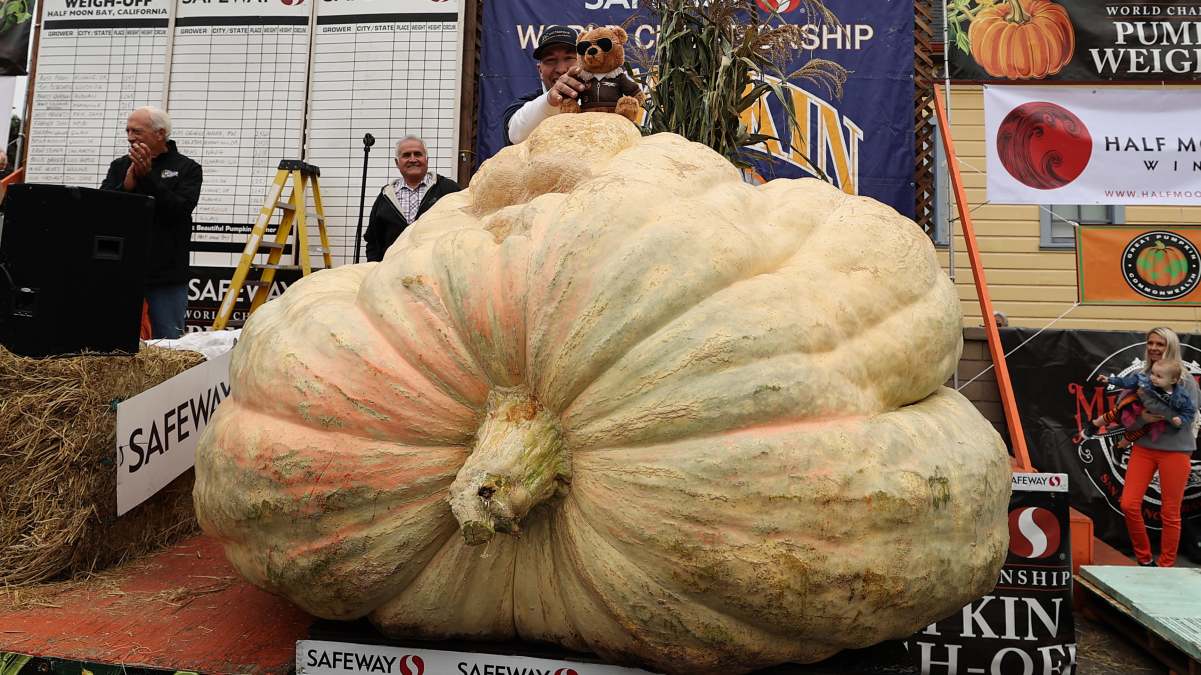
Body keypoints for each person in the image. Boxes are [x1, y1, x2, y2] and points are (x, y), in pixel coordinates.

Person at [100, 107, 202, 339]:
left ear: (160, 133)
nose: (130, 137)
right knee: (112, 341)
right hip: (121, 272)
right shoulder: (119, 166)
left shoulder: (188, 168)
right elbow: (102, 211)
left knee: (168, 345)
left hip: (166, 275)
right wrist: (126, 188)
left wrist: (148, 178)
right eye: (127, 131)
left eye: (137, 131)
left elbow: (180, 210)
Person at [1107, 328, 1199, 567]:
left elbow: (1185, 420)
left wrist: (1150, 404)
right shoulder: (1139, 376)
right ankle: (1144, 559)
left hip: (1176, 451)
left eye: (1161, 343)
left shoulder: (1186, 381)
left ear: (1171, 346)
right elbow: (1124, 416)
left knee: (1171, 513)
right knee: (1128, 504)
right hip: (1144, 448)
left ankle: (1166, 566)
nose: (1155, 347)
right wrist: (1142, 420)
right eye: (1151, 342)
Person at [363, 135, 461, 263]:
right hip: (393, 272)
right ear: (397, 162)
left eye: (418, 154)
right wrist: (376, 266)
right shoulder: (386, 196)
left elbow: (464, 227)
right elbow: (373, 241)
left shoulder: (449, 189)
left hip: (437, 270)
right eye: (406, 155)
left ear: (426, 160)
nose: (413, 159)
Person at [503, 25, 588, 146]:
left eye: (569, 58)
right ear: (540, 71)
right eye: (551, 59)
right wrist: (550, 101)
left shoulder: (603, 100)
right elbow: (514, 135)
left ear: (584, 64)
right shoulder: (521, 106)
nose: (561, 69)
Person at [1085, 358, 1196, 448]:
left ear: (1173, 381)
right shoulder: (1146, 381)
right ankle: (1095, 424)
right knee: (1115, 414)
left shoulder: (1182, 396)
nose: (1153, 378)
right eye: (1152, 373)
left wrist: (1181, 419)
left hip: (1152, 417)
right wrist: (1110, 380)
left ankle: (1120, 447)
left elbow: (1189, 411)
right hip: (1135, 405)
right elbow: (1128, 382)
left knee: (1138, 432)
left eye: (1159, 376)